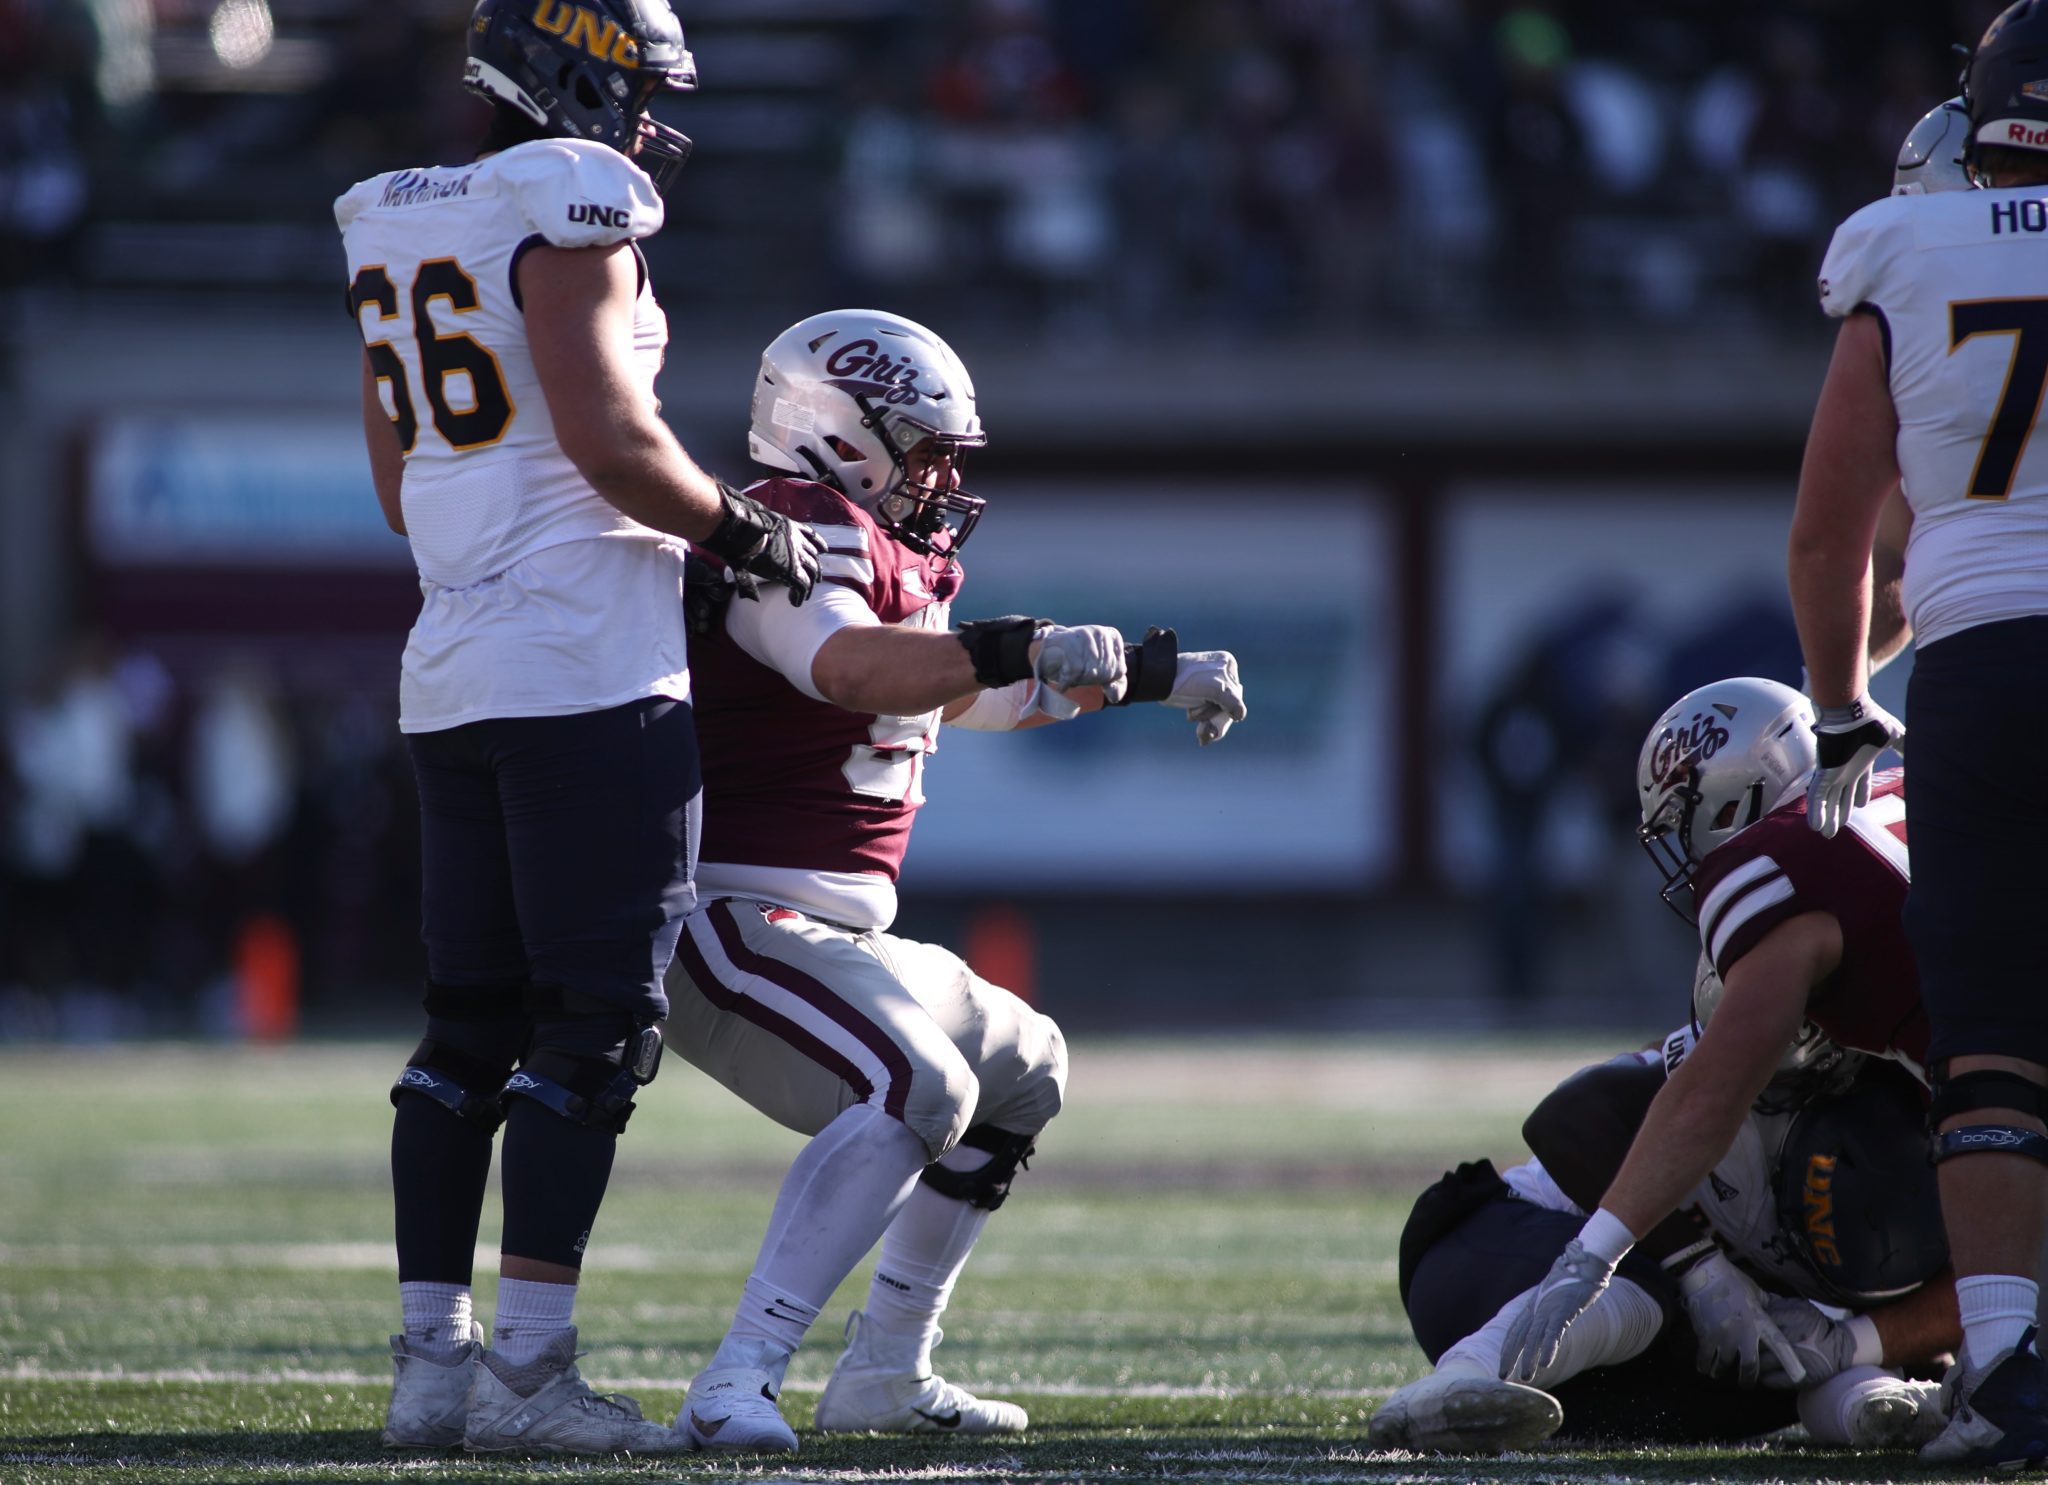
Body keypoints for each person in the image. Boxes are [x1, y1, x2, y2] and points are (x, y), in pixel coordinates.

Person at [336, 0, 823, 1457]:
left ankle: (435, 1368)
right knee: (594, 1025)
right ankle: (532, 1376)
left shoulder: (398, 212)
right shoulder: (573, 197)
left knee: (463, 1030)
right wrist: (741, 531)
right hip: (586, 675)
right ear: (565, 71)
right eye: (635, 87)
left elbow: (396, 468)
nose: (651, 121)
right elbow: (612, 435)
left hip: (457, 664)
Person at [665, 308, 1247, 1453]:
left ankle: (887, 1367)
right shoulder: (788, 525)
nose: (940, 473)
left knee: (1024, 1068)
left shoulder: (894, 549)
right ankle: (738, 1375)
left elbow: (959, 693)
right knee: (912, 1085)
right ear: (835, 432)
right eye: (921, 444)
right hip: (728, 914)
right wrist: (1013, 643)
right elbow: (844, 664)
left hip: (830, 929)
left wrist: (1144, 676)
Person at [1786, 6, 2048, 1465]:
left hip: (1984, 671)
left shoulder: (1905, 247)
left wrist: (1836, 708)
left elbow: (1830, 539)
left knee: (1996, 1045)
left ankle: (2009, 1372)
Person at [1488, 678, 1934, 1419]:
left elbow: (1713, 1087)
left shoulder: (1774, 866)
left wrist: (1594, 1252)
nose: (1686, 854)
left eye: (1686, 823)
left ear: (1737, 802)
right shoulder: (1895, 782)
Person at [1370, 991, 1956, 1454]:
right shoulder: (1746, 1076)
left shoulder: (1960, 1137)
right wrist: (1695, 1260)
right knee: (1651, 1283)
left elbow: (1984, 1287)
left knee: (1803, 1347)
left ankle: (1874, 1408)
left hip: (1652, 1387)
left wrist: (1850, 1344)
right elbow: (1566, 1119)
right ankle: (1457, 1381)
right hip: (1501, 1263)